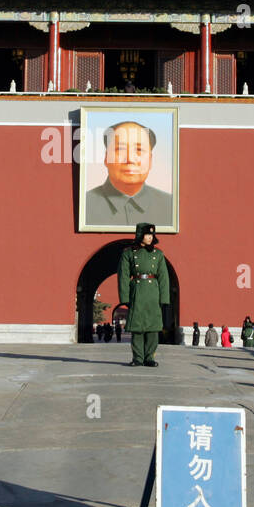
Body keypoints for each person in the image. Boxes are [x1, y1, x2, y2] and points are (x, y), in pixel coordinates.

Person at [85, 121, 173, 227]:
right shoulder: (84, 205)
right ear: (106, 158)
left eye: (139, 150)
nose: (130, 159)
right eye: (120, 149)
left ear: (150, 160)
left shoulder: (171, 205)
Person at [118, 222, 171, 367]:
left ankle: (150, 358)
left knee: (153, 327)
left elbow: (163, 277)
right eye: (147, 234)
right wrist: (125, 298)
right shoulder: (128, 253)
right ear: (140, 235)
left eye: (152, 234)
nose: (150, 237)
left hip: (153, 292)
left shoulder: (158, 254)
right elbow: (123, 276)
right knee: (137, 327)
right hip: (137, 290)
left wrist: (164, 298)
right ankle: (138, 358)